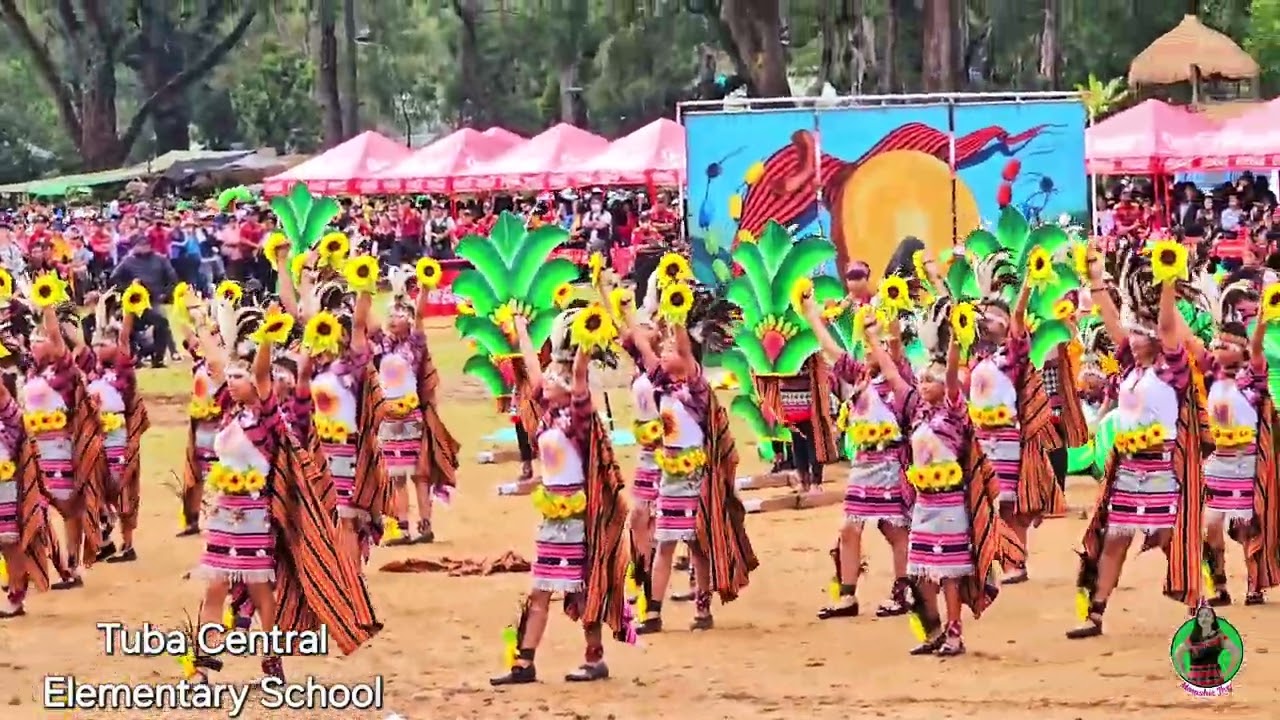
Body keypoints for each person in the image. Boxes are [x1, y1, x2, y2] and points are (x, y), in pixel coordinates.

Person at [184, 296, 381, 683]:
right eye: (233, 378)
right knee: (215, 588)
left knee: (261, 594)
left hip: (256, 519)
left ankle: (271, 660)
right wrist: (199, 320)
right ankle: (202, 666)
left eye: (242, 378)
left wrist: (267, 338)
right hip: (224, 515)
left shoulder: (269, 419)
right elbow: (216, 363)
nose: (234, 381)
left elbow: (258, 374)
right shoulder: (229, 412)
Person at [1068, 246, 1205, 639]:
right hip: (1128, 466)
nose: (1135, 336)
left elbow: (1166, 327)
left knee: (1168, 540)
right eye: (1136, 332)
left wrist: (1166, 280)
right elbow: (1112, 322)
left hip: (1161, 465)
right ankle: (1095, 615)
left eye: (1142, 332)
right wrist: (1096, 280)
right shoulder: (1130, 369)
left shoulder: (1173, 370)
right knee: (1116, 539)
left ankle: (1200, 609)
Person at [489, 310, 629, 685]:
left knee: (580, 589)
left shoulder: (579, 416)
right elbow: (534, 372)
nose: (545, 380)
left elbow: (580, 376)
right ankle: (524, 663)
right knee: (539, 587)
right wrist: (521, 329)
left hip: (577, 517)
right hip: (551, 516)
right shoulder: (549, 414)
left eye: (555, 376)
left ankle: (594, 657)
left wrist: (584, 346)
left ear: (569, 386)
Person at [803, 294, 916, 619]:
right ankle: (847, 596)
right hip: (863, 464)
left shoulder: (900, 377)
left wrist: (881, 328)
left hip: (890, 463)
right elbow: (833, 352)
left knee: (894, 530)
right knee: (849, 529)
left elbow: (893, 350)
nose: (869, 349)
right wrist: (812, 315)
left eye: (874, 345)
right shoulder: (860, 376)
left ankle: (903, 590)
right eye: (865, 345)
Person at [1173, 604, 1241, 689]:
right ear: (1197, 619)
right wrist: (1184, 673)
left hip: (1214, 681)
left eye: (1207, 616)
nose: (1204, 619)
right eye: (1200, 616)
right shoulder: (1192, 638)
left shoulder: (1219, 637)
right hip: (1196, 681)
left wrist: (1226, 673)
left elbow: (1235, 652)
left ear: (1213, 619)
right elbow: (1178, 653)